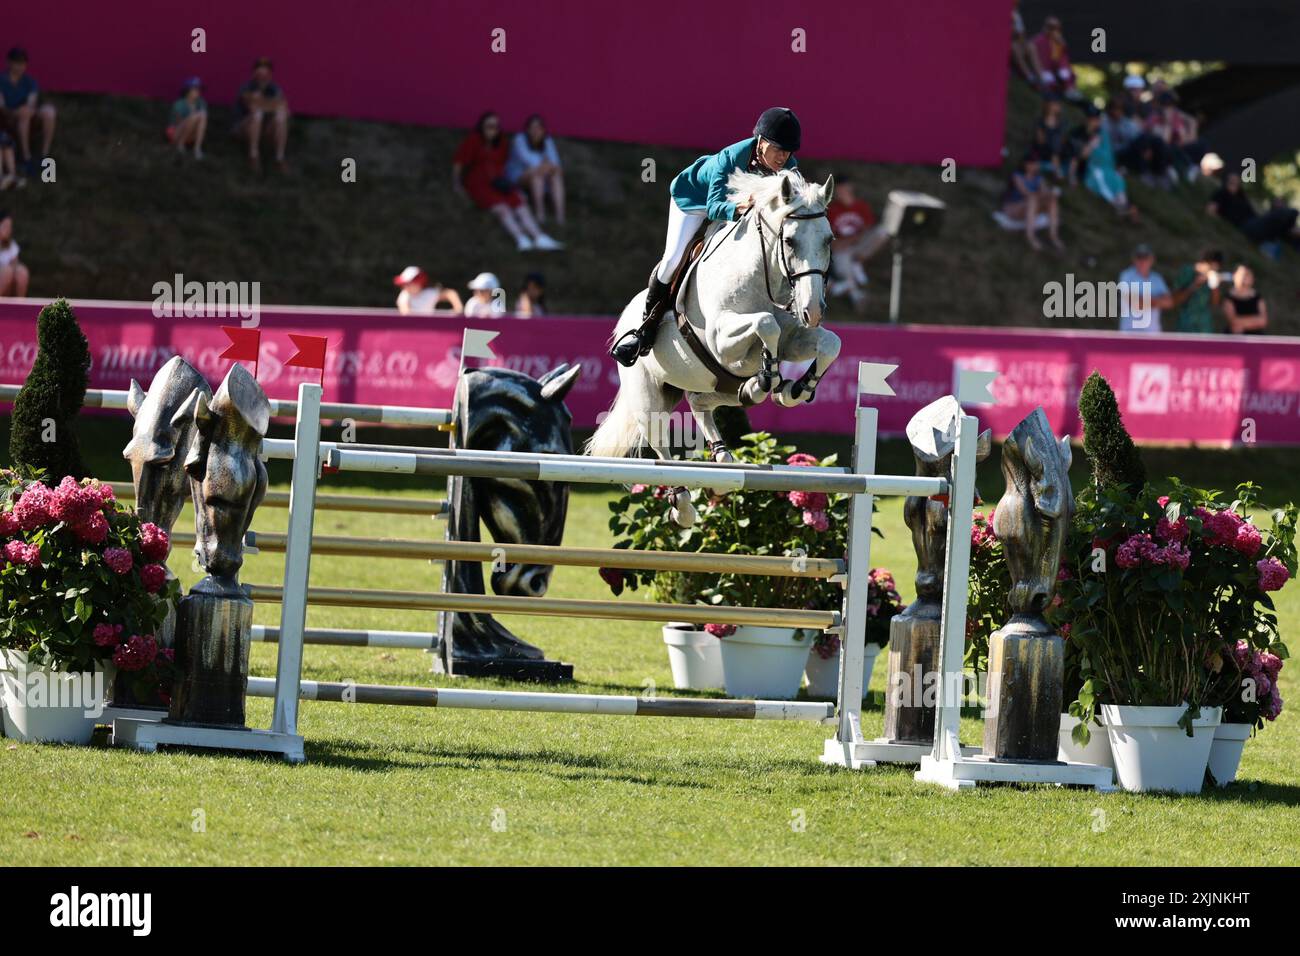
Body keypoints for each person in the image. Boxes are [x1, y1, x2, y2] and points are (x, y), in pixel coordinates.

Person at [610, 106, 802, 367]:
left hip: (738, 206)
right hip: (693, 200)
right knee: (673, 258)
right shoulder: (730, 157)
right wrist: (739, 207)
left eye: (787, 150)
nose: (783, 156)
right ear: (760, 141)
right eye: (778, 148)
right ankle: (646, 329)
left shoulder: (789, 166)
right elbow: (713, 207)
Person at [454, 112, 562, 252]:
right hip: (479, 184)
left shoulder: (502, 143)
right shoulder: (473, 141)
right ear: (482, 127)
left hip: (500, 182)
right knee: (502, 209)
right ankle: (521, 238)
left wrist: (513, 187)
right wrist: (457, 183)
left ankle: (539, 237)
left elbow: (504, 166)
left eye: (496, 126)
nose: (493, 129)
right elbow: (459, 163)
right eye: (490, 126)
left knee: (520, 204)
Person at [826, 178, 888, 311]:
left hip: (858, 244)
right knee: (841, 257)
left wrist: (852, 240)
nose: (840, 193)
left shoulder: (861, 206)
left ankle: (857, 262)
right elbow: (830, 238)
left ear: (850, 188)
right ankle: (856, 294)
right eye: (838, 191)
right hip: (842, 249)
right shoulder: (833, 209)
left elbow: (867, 230)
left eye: (843, 190)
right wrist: (841, 243)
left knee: (883, 232)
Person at [1070, 104, 1136, 220]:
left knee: (1117, 178)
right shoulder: (1078, 134)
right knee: (1100, 177)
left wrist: (1115, 168)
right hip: (1090, 170)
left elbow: (1109, 155)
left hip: (1107, 168)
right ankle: (1118, 205)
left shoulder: (1102, 134)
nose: (1096, 122)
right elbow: (1078, 157)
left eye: (1097, 119)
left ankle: (1124, 203)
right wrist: (1091, 145)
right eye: (1093, 119)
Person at [0, 48, 56, 177]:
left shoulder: (30, 82)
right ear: (9, 63)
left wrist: (27, 110)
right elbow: (1, 106)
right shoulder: (1, 80)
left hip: (27, 114)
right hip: (8, 116)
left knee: (49, 111)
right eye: (16, 63)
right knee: (24, 114)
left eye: (22, 63)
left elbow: (32, 102)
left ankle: (44, 155)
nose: (19, 67)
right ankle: (27, 157)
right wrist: (16, 112)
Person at [1207, 172, 1300, 247]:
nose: (1236, 183)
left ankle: (1291, 232)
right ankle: (1291, 229)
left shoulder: (1240, 195)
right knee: (1291, 213)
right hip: (1247, 226)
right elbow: (1211, 210)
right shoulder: (1222, 193)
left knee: (1285, 228)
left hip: (1255, 222)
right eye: (1233, 181)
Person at [506, 115, 565, 226]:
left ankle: (560, 215)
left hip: (542, 173)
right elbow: (529, 161)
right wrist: (547, 165)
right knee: (536, 174)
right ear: (527, 129)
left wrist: (550, 167)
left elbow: (556, 165)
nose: (536, 131)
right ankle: (540, 213)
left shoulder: (547, 141)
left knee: (556, 176)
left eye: (539, 127)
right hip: (518, 176)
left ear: (543, 130)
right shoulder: (519, 139)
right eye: (532, 127)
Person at [234, 57, 290, 172]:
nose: (262, 76)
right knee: (257, 114)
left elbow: (284, 107)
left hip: (266, 129)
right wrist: (271, 104)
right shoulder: (247, 87)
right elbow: (251, 105)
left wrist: (265, 103)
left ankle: (279, 158)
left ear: (270, 74)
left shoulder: (275, 89)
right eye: (260, 72)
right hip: (243, 127)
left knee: (281, 116)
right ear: (254, 73)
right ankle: (253, 155)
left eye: (266, 72)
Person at [1000, 152, 1062, 251]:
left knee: (1052, 200)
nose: (1036, 166)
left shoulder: (1038, 178)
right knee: (1032, 200)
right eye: (1034, 164)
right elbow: (1026, 193)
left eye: (1037, 164)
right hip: (1013, 208)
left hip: (1029, 208)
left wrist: (1050, 194)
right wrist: (1042, 194)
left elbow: (1044, 191)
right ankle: (1030, 236)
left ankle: (1053, 236)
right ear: (1026, 164)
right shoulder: (1017, 176)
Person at [1117, 244, 1174, 333]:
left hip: (1153, 332)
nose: (1142, 261)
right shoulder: (1127, 276)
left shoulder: (1157, 278)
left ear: (1151, 259)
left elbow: (1169, 302)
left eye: (1145, 258)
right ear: (1134, 259)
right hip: (1130, 331)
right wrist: (1157, 301)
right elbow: (1134, 302)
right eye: (1139, 257)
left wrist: (1144, 300)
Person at [1171, 249, 1224, 334]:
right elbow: (1174, 301)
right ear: (1203, 263)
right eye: (1211, 267)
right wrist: (1194, 285)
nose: (1212, 271)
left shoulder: (1213, 276)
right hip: (1185, 326)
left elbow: (1215, 304)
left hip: (1204, 328)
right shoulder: (1186, 272)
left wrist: (1215, 286)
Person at [1030, 16, 1080, 100]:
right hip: (1044, 73)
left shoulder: (1059, 42)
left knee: (1064, 73)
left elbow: (1062, 62)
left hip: (1057, 73)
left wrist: (1061, 45)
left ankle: (1068, 90)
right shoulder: (1036, 41)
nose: (1054, 30)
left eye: (1056, 28)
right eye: (1051, 27)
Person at [167, 77, 208, 161]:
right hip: (176, 134)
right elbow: (179, 123)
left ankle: (197, 148)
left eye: (199, 89)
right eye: (195, 89)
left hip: (191, 136)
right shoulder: (179, 104)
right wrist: (193, 117)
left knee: (203, 115)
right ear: (187, 91)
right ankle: (180, 145)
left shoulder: (201, 102)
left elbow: (202, 120)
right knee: (196, 116)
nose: (198, 91)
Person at [393, 266, 462, 315]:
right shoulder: (404, 295)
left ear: (419, 282)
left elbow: (450, 294)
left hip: (429, 329)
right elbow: (406, 313)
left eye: (408, 284)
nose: (404, 287)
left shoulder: (430, 293)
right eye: (404, 284)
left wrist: (458, 309)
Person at [1222, 265, 1268, 335]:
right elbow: (1233, 321)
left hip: (1256, 338)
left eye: (1247, 275)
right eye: (1242, 274)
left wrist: (1242, 324)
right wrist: (1255, 321)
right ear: (1235, 276)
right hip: (1234, 338)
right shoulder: (1229, 297)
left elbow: (1263, 321)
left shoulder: (1258, 297)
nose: (1244, 277)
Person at [1009, 0, 1043, 88]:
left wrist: (1022, 40)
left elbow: (1021, 33)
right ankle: (1029, 76)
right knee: (1014, 48)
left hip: (1018, 42)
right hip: (1010, 44)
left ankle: (1041, 77)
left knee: (1031, 47)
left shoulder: (1016, 14)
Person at [0, 210, 29, 296]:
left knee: (22, 272)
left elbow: (15, 265)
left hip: (8, 285)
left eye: (9, 227)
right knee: (7, 271)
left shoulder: (12, 246)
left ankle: (19, 304)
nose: (8, 230)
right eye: (5, 226)